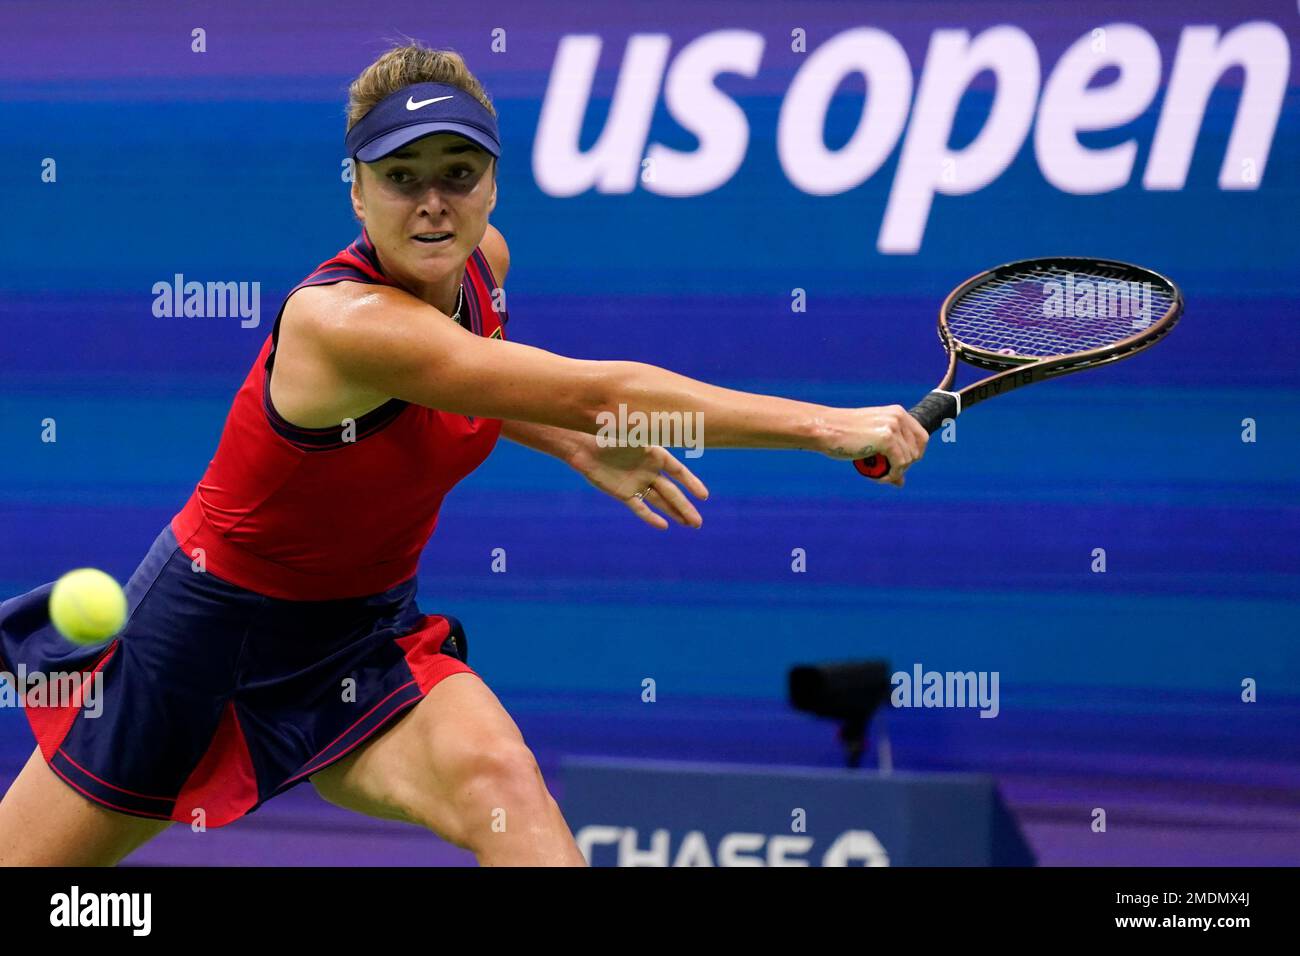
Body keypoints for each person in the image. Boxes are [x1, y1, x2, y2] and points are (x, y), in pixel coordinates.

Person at [0, 41, 927, 867]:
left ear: (493, 182)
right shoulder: (338, 322)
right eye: (402, 176)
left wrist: (567, 442)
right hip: (201, 641)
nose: (434, 202)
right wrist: (824, 426)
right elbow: (598, 395)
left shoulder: (484, 269)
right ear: (357, 191)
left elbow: (477, 385)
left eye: (459, 170)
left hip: (361, 636)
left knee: (502, 782)